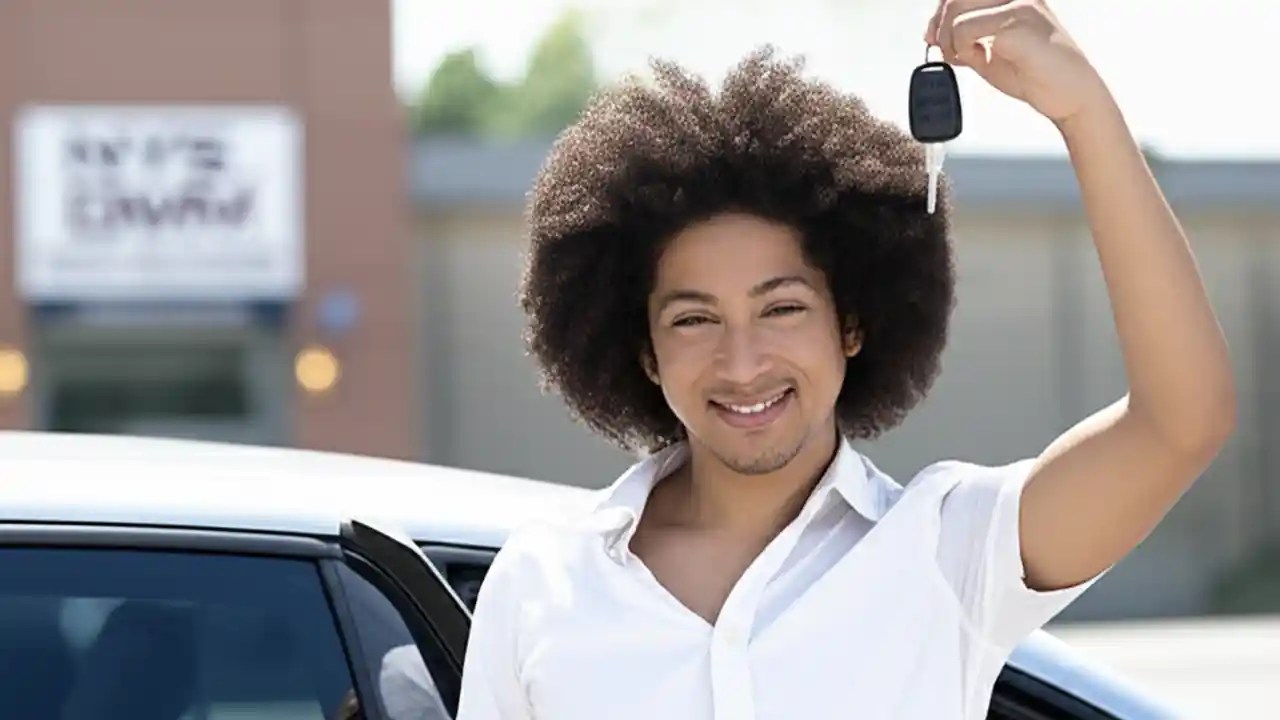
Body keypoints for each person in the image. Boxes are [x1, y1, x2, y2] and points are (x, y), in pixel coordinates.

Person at [458, 2, 1237, 718]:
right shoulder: (541, 584)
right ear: (646, 352)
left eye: (782, 308)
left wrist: (1084, 113)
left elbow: (1181, 421)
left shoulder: (947, 550)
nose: (743, 360)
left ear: (853, 324)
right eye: (695, 319)